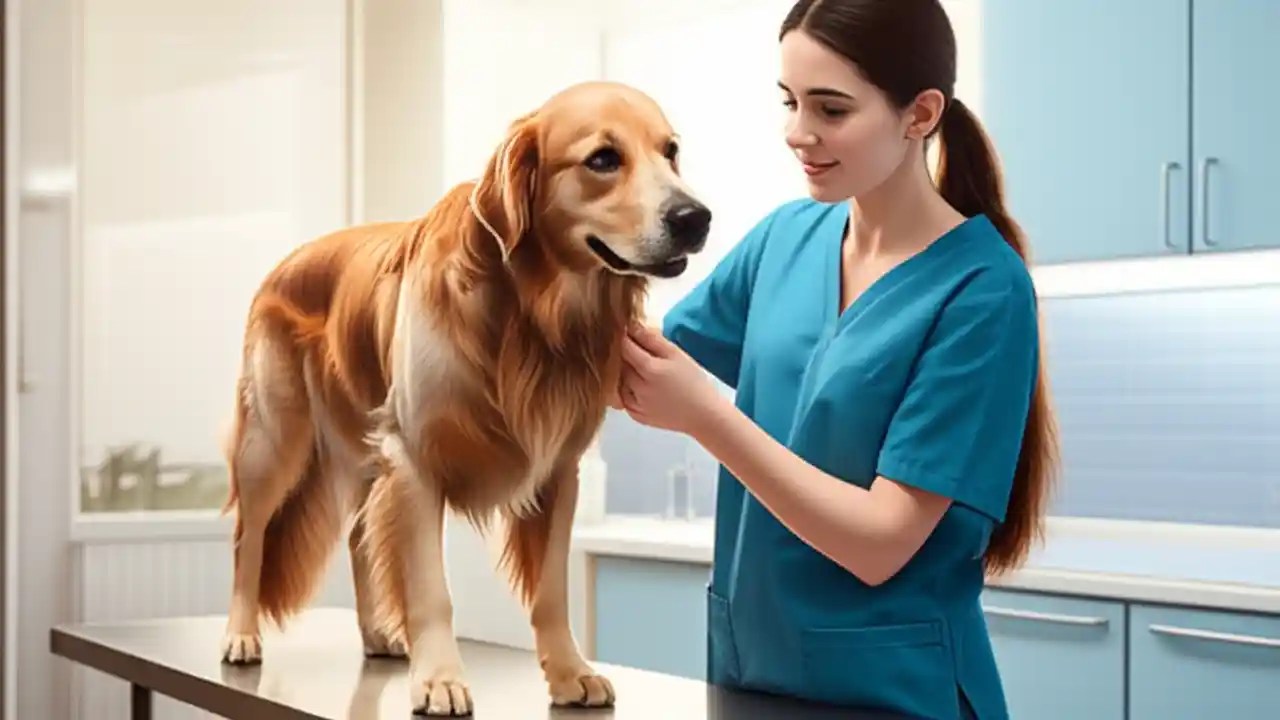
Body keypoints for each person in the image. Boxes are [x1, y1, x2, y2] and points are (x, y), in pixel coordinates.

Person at [615, 1, 1061, 719]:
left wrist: (705, 416)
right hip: (752, 679)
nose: (798, 133)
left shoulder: (983, 290)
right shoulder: (786, 238)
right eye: (791, 102)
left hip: (895, 696)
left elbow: (881, 543)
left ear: (919, 114)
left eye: (831, 109)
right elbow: (628, 367)